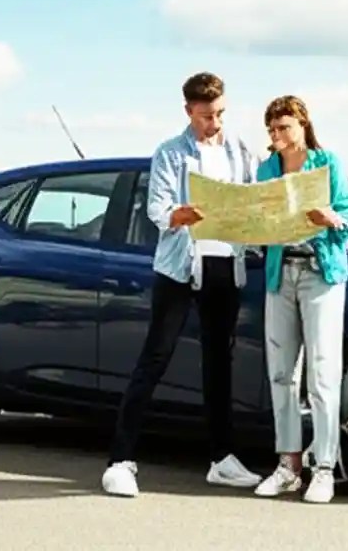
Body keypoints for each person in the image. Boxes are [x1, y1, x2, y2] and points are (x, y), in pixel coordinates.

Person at [101, 72, 265, 498]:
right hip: (179, 268)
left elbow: (254, 199)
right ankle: (119, 461)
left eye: (221, 113)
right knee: (156, 357)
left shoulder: (239, 150)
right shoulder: (170, 153)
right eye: (208, 115)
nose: (216, 122)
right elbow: (156, 209)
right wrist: (180, 214)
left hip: (225, 266)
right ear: (189, 110)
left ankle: (222, 459)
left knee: (218, 365)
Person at [250, 94, 348, 504]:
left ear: (302, 126)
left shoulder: (327, 163)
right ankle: (288, 465)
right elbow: (260, 221)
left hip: (320, 272)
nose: (277, 136)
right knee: (281, 372)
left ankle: (324, 467)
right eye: (272, 130)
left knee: (323, 372)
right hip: (281, 273)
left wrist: (331, 218)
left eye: (284, 128)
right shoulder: (267, 169)